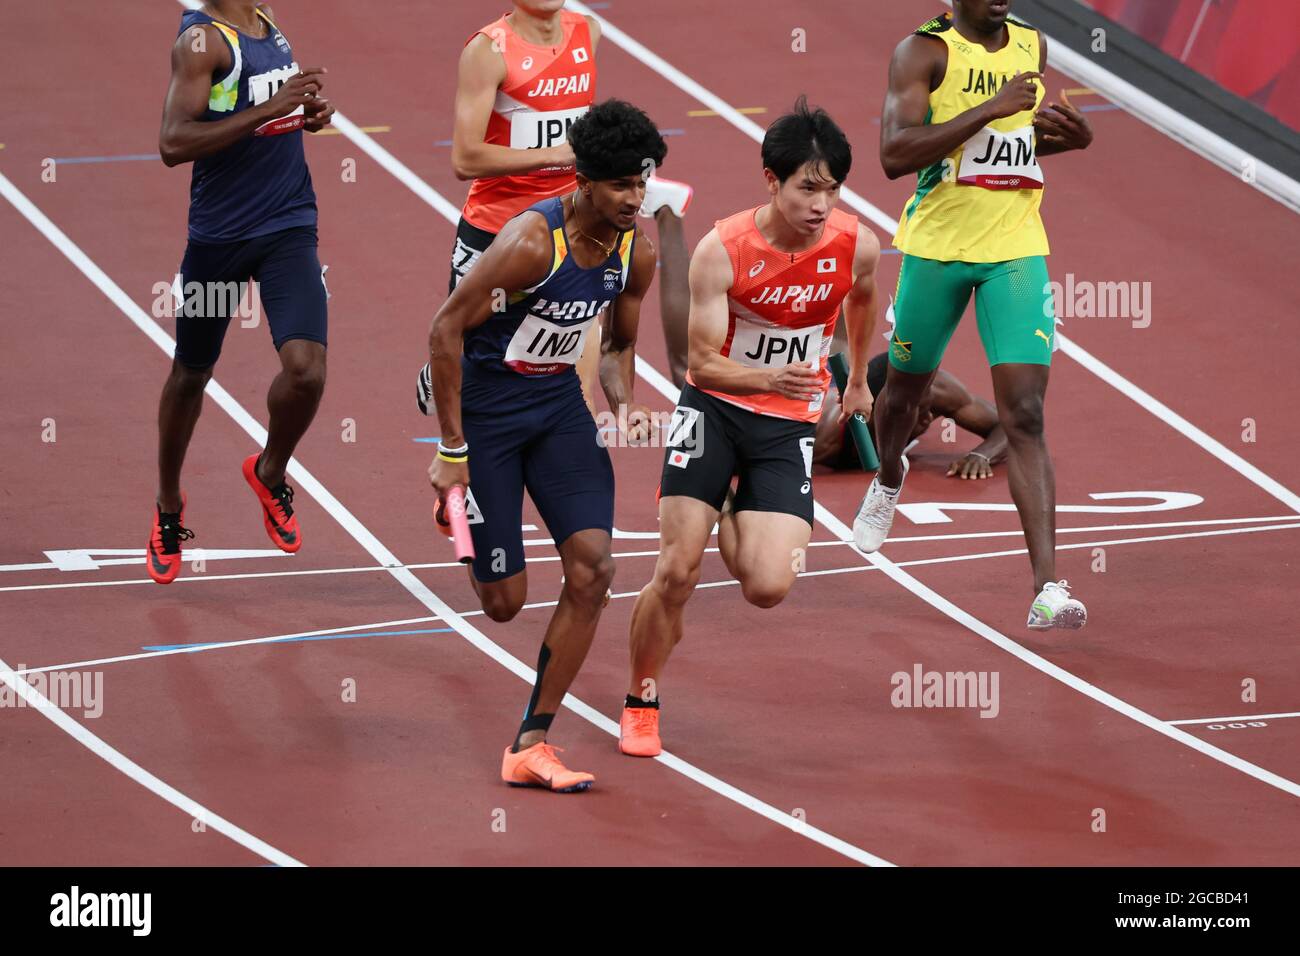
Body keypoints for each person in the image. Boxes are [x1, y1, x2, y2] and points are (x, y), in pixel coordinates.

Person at [620, 99, 880, 758]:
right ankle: (641, 699)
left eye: (832, 190)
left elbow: (862, 297)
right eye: (807, 189)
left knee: (768, 585)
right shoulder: (724, 250)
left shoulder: (856, 244)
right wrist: (769, 378)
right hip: (712, 413)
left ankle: (730, 496)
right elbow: (700, 364)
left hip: (785, 427)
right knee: (677, 571)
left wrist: (856, 380)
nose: (821, 205)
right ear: (772, 179)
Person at [426, 100, 663, 792]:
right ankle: (458, 504)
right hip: (489, 413)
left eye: (641, 183)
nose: (634, 199)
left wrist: (624, 404)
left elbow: (617, 347)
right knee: (503, 602)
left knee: (594, 570)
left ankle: (531, 741)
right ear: (583, 180)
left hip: (558, 406)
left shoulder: (636, 253)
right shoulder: (532, 241)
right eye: (620, 185)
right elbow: (445, 329)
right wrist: (452, 448)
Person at [856, 0, 1094, 629]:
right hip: (937, 248)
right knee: (903, 396)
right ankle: (887, 477)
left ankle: (1046, 587)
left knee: (1026, 413)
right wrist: (990, 106)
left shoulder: (1032, 44)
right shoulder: (922, 52)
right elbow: (894, 154)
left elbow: (1014, 147)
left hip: (1014, 248)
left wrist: (1072, 140)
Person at [417, 0, 693, 417]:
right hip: (498, 229)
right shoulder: (488, 51)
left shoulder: (587, 31)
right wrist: (555, 155)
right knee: (469, 362)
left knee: (575, 389)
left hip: (572, 229)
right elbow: (465, 158)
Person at [148, 1, 335, 584]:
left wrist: (303, 115)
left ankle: (270, 471)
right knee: (191, 374)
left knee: (306, 372)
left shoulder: (266, 19)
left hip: (289, 226)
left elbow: (263, 108)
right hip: (220, 241)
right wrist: (271, 109)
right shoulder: (202, 42)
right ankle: (169, 505)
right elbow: (173, 142)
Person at [814, 352, 1006, 478]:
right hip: (824, 392)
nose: (928, 417)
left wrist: (982, 455)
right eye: (915, 409)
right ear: (883, 408)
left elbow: (1010, 426)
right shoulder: (827, 434)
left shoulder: (934, 390)